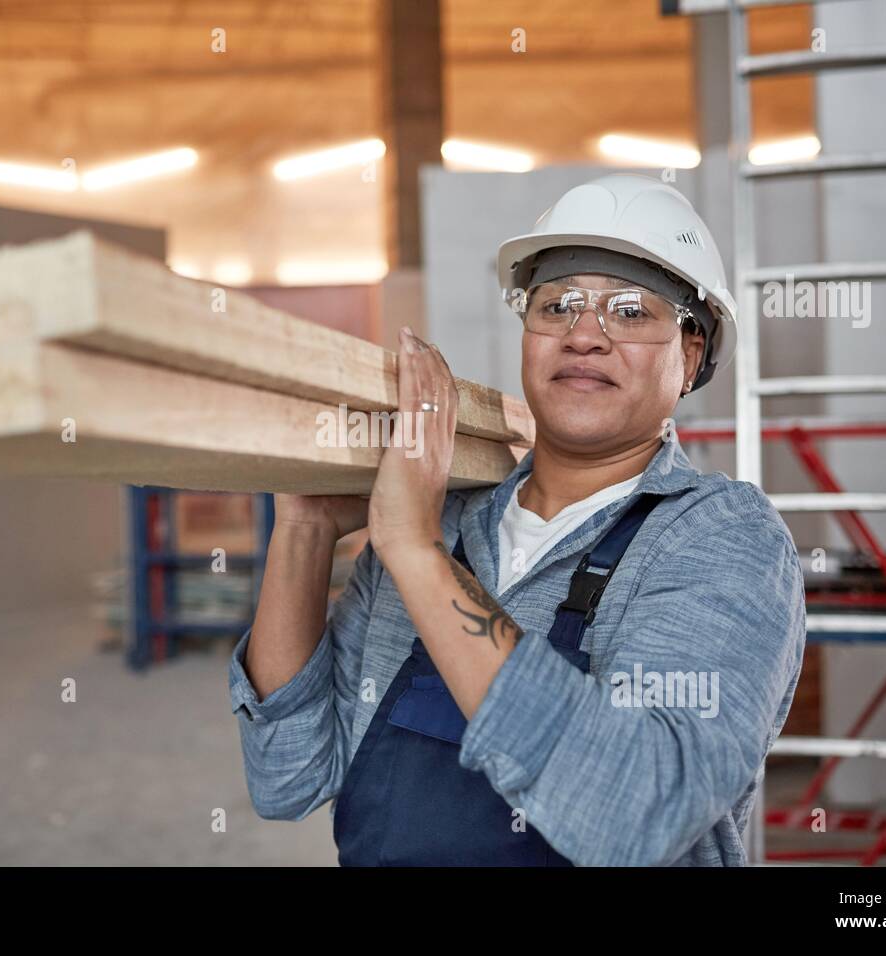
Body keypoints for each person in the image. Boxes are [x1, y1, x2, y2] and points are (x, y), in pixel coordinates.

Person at [227, 172, 807, 866]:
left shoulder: (720, 539)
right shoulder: (446, 525)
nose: (584, 334)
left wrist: (413, 550)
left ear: (690, 356)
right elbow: (288, 777)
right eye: (557, 304)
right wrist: (305, 526)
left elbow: (637, 814)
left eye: (629, 311)